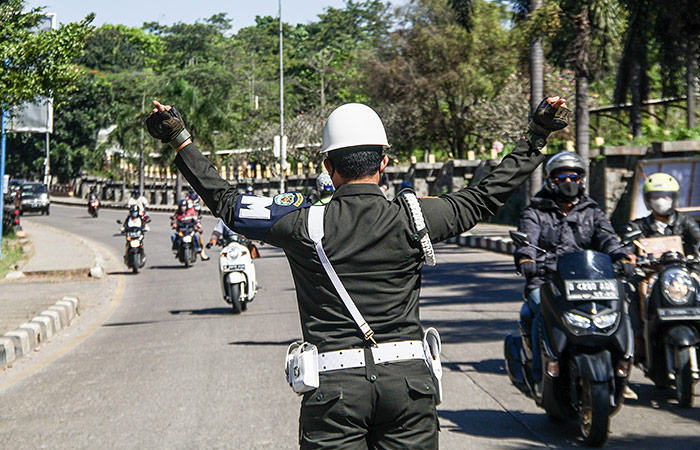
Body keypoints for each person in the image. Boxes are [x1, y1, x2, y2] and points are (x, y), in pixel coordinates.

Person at [147, 96, 570, 449]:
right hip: (409, 389)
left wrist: (180, 139)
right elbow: (483, 196)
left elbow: (228, 203)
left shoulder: (302, 222)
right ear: (383, 162)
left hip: (334, 394)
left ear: (328, 166)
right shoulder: (415, 219)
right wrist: (536, 136)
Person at [623, 173, 700, 363]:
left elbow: (698, 239)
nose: (661, 201)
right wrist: (629, 259)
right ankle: (638, 340)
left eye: (666, 196)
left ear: (674, 198)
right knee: (629, 291)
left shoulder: (685, 221)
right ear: (647, 200)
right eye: (656, 197)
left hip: (683, 274)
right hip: (650, 275)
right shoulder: (639, 226)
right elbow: (626, 248)